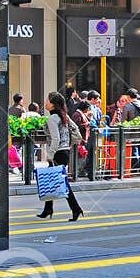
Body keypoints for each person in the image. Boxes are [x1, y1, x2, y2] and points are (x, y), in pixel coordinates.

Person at [37, 91, 84, 221]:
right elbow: (75, 131)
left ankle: (76, 209)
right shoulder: (64, 116)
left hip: (57, 153)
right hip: (65, 151)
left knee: (62, 182)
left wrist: (50, 155)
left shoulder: (52, 119)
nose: (46, 103)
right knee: (52, 179)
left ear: (53, 104)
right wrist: (67, 145)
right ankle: (48, 209)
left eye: (48, 100)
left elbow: (55, 139)